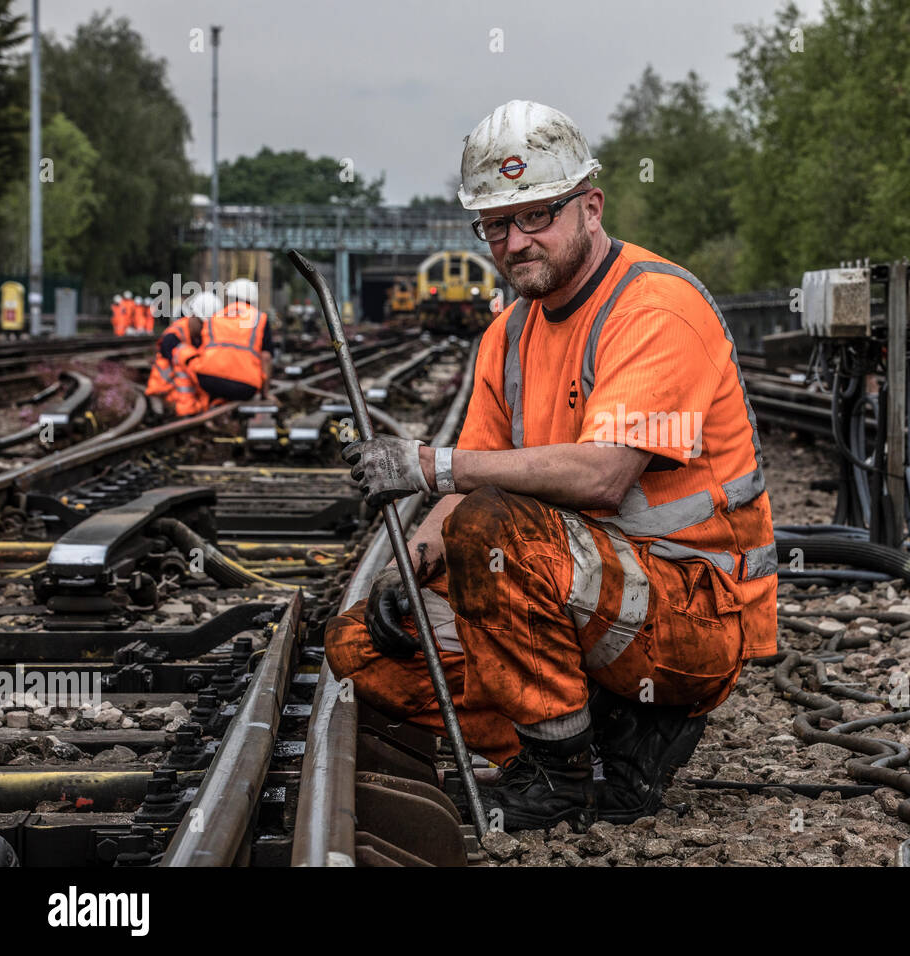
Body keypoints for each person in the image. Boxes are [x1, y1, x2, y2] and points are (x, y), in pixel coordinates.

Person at [327, 100, 778, 832]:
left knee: (493, 528)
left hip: (690, 615)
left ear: (590, 207)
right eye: (497, 225)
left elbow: (602, 476)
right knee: (359, 645)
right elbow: (460, 493)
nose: (515, 241)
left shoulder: (655, 309)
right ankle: (587, 749)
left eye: (537, 216)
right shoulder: (506, 336)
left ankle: (564, 781)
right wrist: (407, 568)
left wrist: (429, 465)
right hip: (580, 592)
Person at [186, 278, 274, 402]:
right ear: (253, 299)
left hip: (207, 381)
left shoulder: (214, 318)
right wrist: (265, 394)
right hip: (244, 386)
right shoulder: (260, 319)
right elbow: (266, 358)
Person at [145, 290, 220, 417]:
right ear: (193, 316)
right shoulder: (173, 336)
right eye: (202, 324)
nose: (204, 329)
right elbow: (187, 370)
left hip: (187, 393)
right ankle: (185, 410)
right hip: (166, 389)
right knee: (185, 359)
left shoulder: (203, 335)